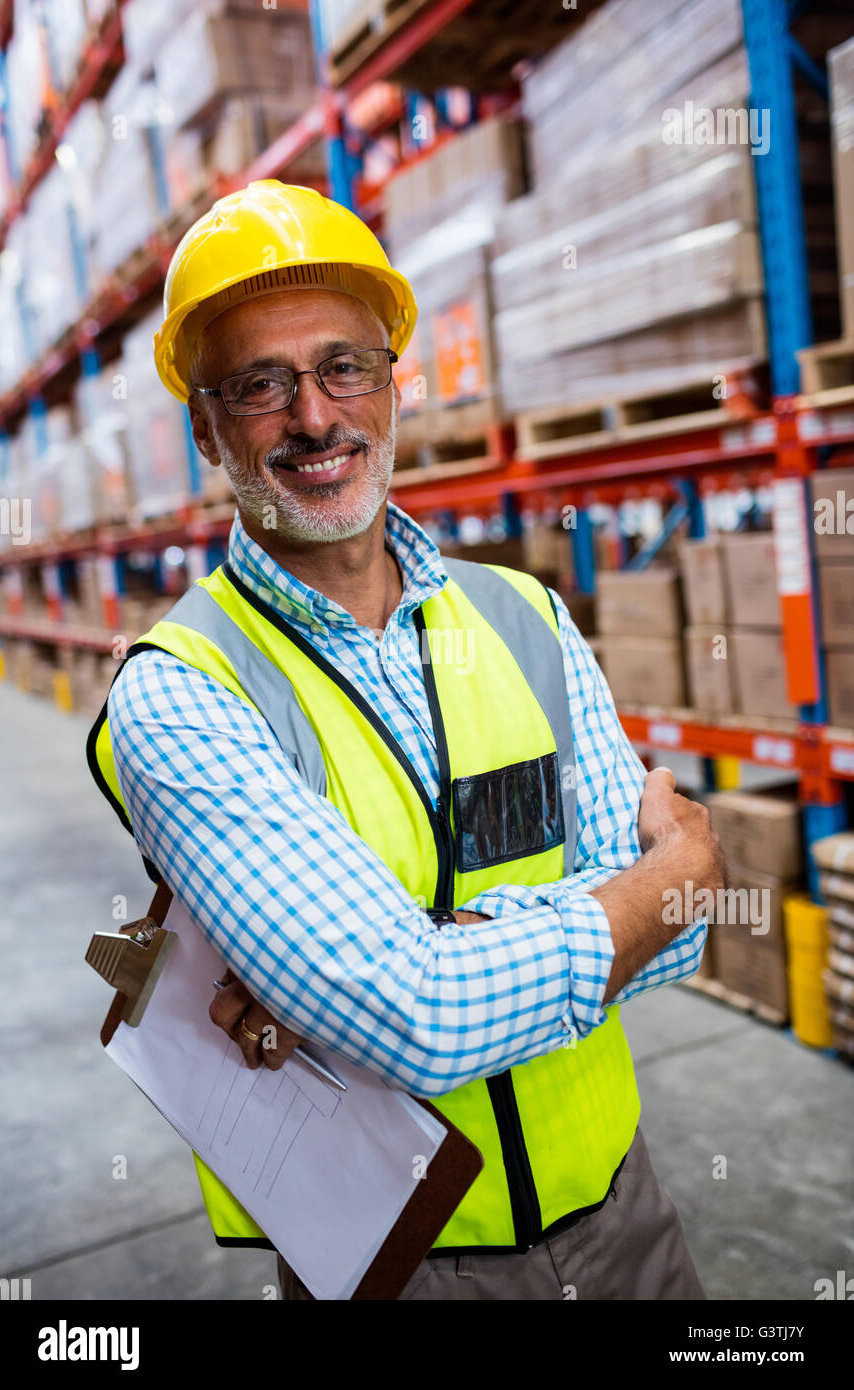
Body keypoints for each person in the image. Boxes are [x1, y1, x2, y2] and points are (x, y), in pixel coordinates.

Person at [86, 180, 724, 1301]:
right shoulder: (181, 693)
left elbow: (678, 936)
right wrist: (644, 886)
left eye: (345, 367)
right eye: (258, 385)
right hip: (401, 1267)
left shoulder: (521, 614)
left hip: (626, 1216)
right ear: (205, 426)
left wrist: (425, 948)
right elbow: (414, 1015)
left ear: (391, 385)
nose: (316, 417)